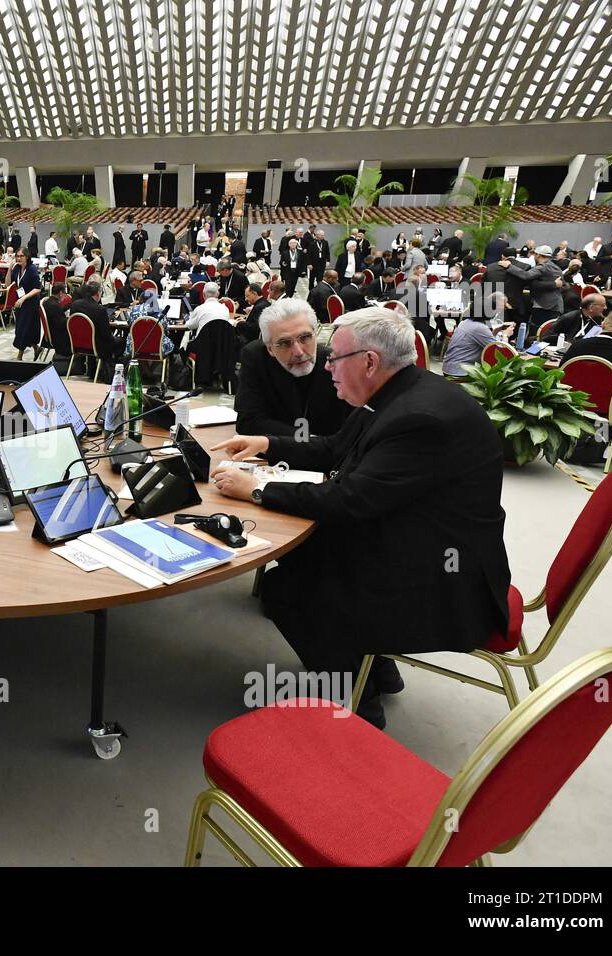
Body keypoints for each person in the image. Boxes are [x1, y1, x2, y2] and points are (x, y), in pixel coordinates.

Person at [211, 307, 511, 729]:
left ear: (369, 362)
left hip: (448, 578)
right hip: (423, 535)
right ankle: (372, 667)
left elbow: (351, 499)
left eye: (334, 357)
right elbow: (336, 449)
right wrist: (265, 442)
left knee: (287, 589)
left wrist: (258, 489)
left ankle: (359, 705)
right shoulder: (398, 390)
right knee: (300, 557)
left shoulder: (417, 418)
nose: (326, 365)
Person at [235, 298, 351, 437]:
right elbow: (248, 422)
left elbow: (358, 427)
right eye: (284, 343)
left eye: (305, 337)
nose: (299, 352)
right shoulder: (256, 357)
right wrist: (307, 442)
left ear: (315, 334)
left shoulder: (337, 362)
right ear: (270, 349)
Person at [443, 292, 514, 375]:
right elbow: (500, 355)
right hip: (460, 373)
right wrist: (505, 335)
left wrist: (495, 332)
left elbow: (485, 342)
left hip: (449, 369)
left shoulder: (465, 322)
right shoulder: (480, 328)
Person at [504, 244, 563, 333]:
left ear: (538, 255)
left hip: (545, 306)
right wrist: (553, 284)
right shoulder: (555, 267)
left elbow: (526, 275)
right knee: (547, 332)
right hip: (555, 305)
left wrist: (509, 266)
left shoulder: (542, 267)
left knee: (537, 332)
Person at [67, 281, 118, 379]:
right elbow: (106, 335)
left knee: (96, 337)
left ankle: (93, 371)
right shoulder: (99, 309)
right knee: (119, 342)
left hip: (77, 343)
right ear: (98, 294)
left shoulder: (74, 305)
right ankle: (110, 373)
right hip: (96, 345)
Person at [10, 250, 44, 360]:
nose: (19, 258)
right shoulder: (16, 268)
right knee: (25, 328)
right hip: (20, 302)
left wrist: (24, 298)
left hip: (31, 303)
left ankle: (19, 356)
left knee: (23, 329)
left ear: (27, 257)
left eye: (21, 256)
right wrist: (9, 270)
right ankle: (36, 348)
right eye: (17, 256)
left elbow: (37, 288)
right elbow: (8, 284)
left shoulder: (32, 269)